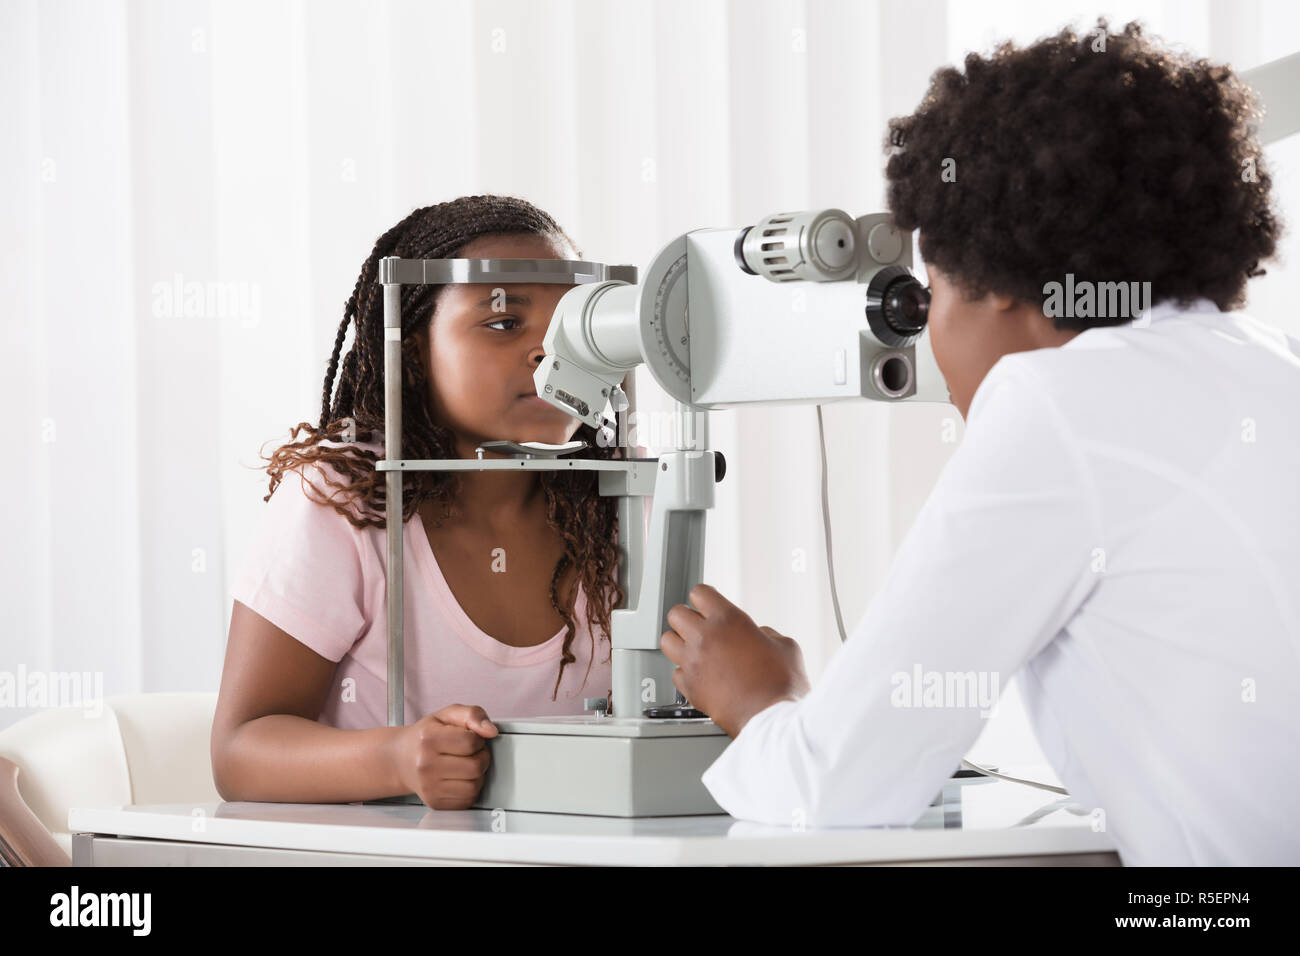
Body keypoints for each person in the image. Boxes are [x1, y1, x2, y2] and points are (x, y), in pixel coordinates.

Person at [660, 18, 1299, 865]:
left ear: (995, 285)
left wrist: (761, 698)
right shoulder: (1272, 365)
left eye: (932, 295)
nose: (929, 340)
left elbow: (838, 790)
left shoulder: (1059, 401)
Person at [212, 195, 630, 810]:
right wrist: (398, 759)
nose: (548, 352)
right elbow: (239, 753)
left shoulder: (620, 498)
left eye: (571, 325)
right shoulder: (344, 504)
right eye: (503, 322)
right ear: (412, 351)